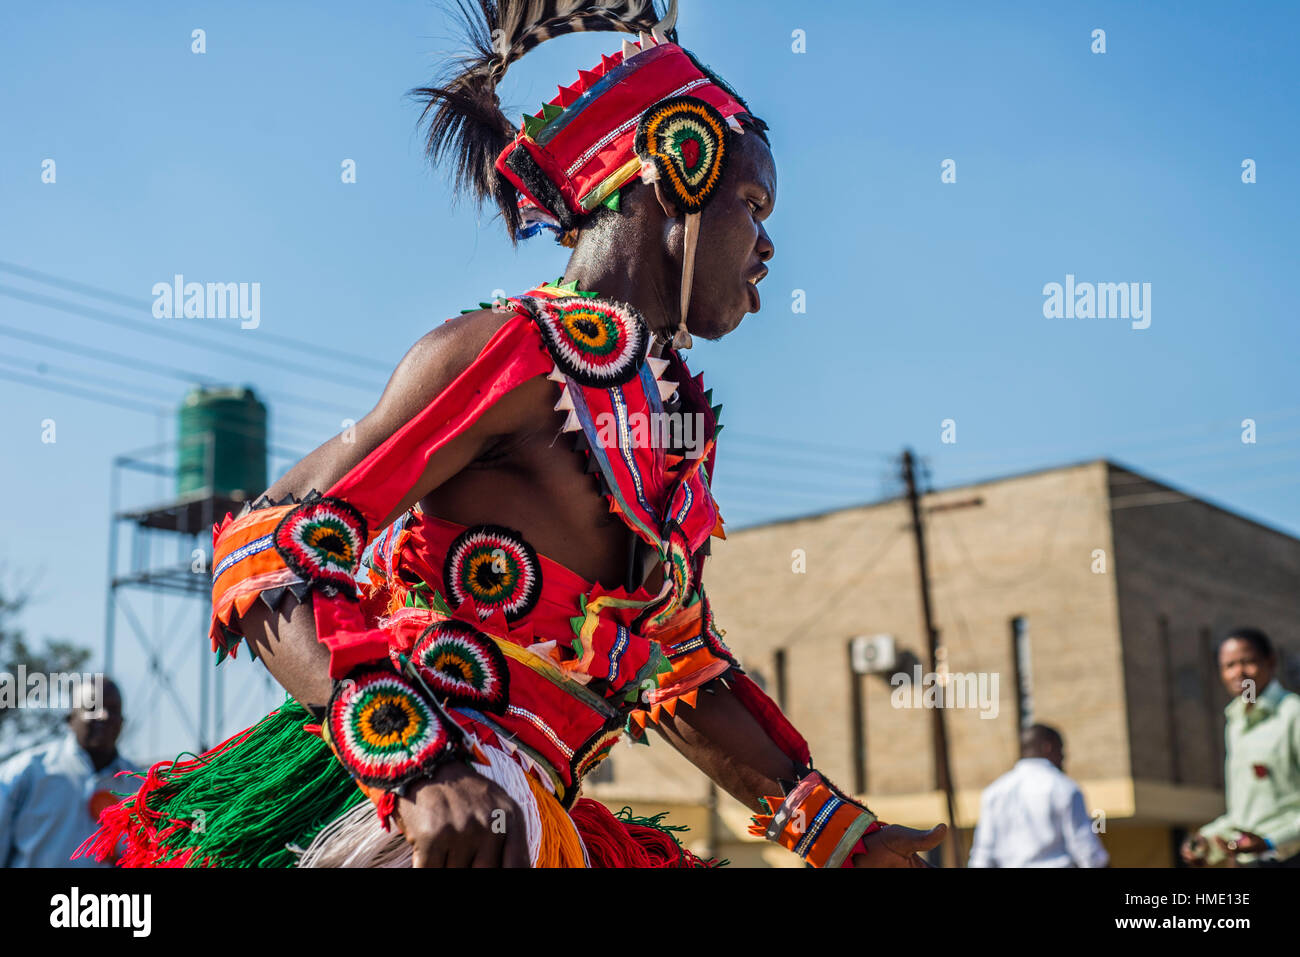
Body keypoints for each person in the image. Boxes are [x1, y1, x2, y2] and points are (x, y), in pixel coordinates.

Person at [82, 0, 946, 869]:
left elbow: (681, 672)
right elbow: (262, 544)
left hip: (526, 808)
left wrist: (842, 836)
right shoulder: (512, 354)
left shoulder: (673, 434)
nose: (766, 248)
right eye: (755, 203)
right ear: (678, 169)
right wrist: (420, 765)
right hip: (421, 806)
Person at [1181, 627, 1300, 867]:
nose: (1239, 673)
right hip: (1249, 861)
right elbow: (1243, 815)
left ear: (1271, 662)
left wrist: (1271, 841)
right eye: (1229, 665)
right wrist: (1207, 840)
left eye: (1248, 662)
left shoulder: (1293, 714)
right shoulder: (1235, 724)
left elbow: (1271, 827)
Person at [0, 678, 138, 867]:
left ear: (122, 721)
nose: (104, 715)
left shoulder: (140, 787)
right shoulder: (26, 772)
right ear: (70, 719)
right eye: (92, 707)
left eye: (113, 709)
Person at [968, 724, 1108, 868]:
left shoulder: (994, 792)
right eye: (1061, 750)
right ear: (1048, 747)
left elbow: (982, 856)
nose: (1064, 757)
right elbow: (1087, 851)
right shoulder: (1065, 789)